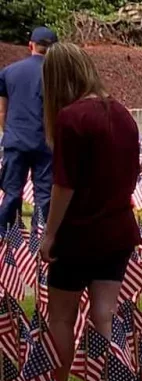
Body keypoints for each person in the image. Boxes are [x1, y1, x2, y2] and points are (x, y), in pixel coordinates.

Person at [39, 42, 141, 381]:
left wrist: (50, 234)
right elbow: (134, 173)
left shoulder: (71, 118)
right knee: (104, 315)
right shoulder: (123, 114)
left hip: (78, 235)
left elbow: (63, 185)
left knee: (61, 318)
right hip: (118, 230)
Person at [0, 27, 58, 230]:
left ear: (30, 45)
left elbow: (2, 110)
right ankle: (39, 236)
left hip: (16, 141)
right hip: (46, 142)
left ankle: (6, 236)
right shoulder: (57, 75)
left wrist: (8, 132)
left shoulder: (8, 72)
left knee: (11, 193)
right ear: (54, 48)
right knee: (44, 195)